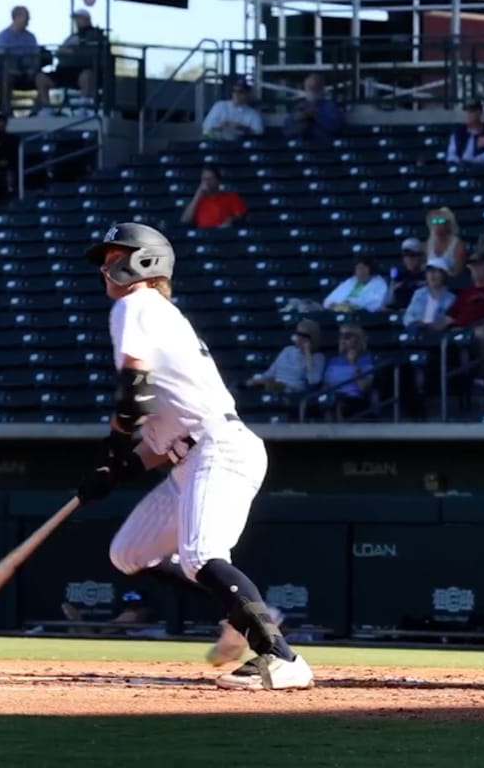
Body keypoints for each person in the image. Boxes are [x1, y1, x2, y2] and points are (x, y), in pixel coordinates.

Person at [77, 222, 314, 690]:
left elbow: (134, 394)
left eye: (113, 258)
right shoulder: (156, 313)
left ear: (141, 263)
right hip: (192, 454)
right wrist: (119, 469)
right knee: (129, 553)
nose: (104, 269)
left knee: (202, 555)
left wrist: (112, 451)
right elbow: (164, 435)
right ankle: (244, 614)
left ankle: (281, 658)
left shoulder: (137, 303)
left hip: (218, 450)